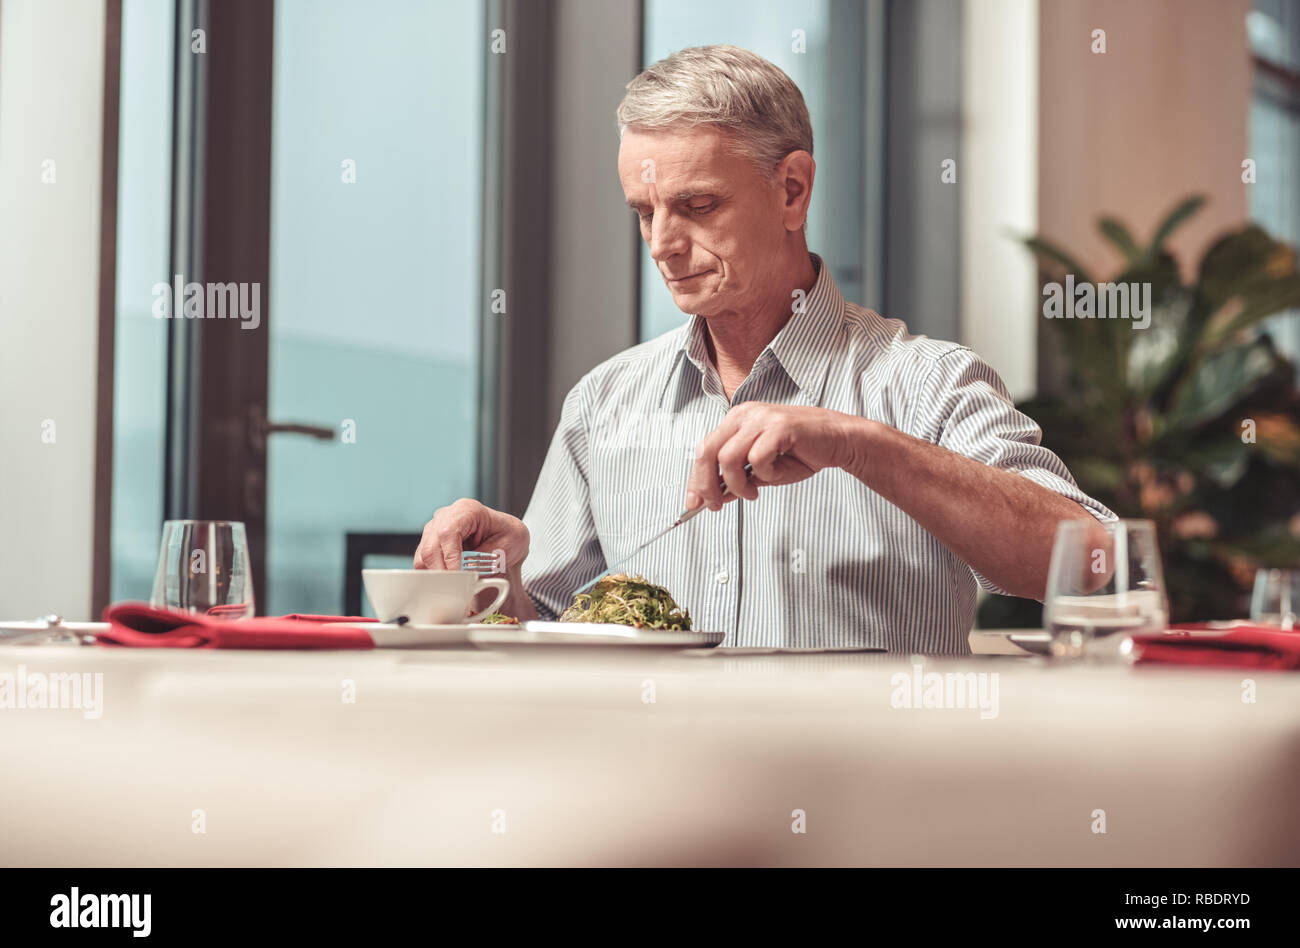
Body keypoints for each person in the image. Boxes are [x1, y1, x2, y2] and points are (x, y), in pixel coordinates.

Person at [416, 45, 1112, 653]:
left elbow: (1097, 564)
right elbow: (551, 629)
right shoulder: (603, 403)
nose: (662, 243)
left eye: (697, 205)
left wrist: (858, 443)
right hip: (661, 792)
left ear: (792, 190)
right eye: (645, 212)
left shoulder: (930, 384)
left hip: (874, 797)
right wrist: (499, 579)